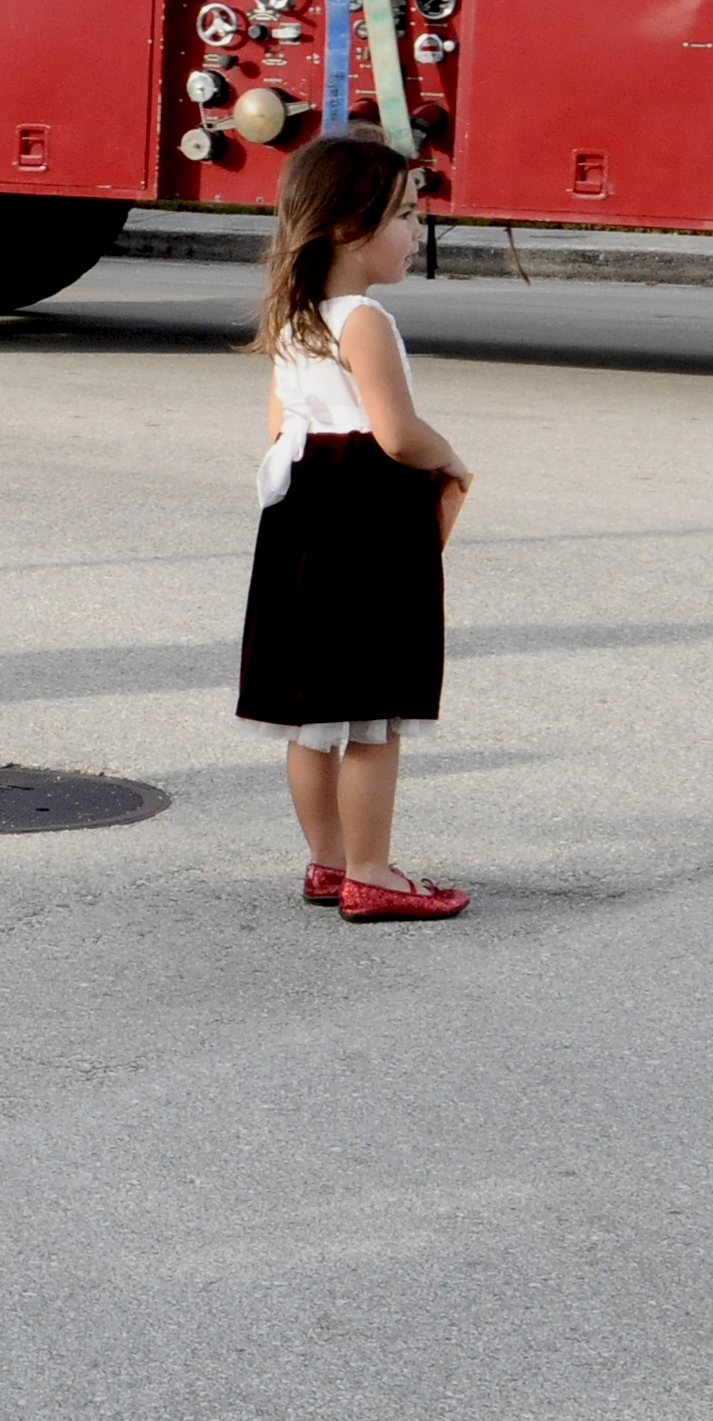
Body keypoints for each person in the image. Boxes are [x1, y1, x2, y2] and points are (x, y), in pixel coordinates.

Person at [238, 132, 477, 924]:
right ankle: (373, 871)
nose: (418, 231)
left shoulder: (295, 320)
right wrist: (453, 461)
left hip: (305, 516)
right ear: (348, 227)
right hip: (367, 516)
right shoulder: (364, 318)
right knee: (374, 715)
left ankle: (327, 862)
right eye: (405, 215)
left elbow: (281, 429)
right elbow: (397, 433)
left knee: (314, 718)